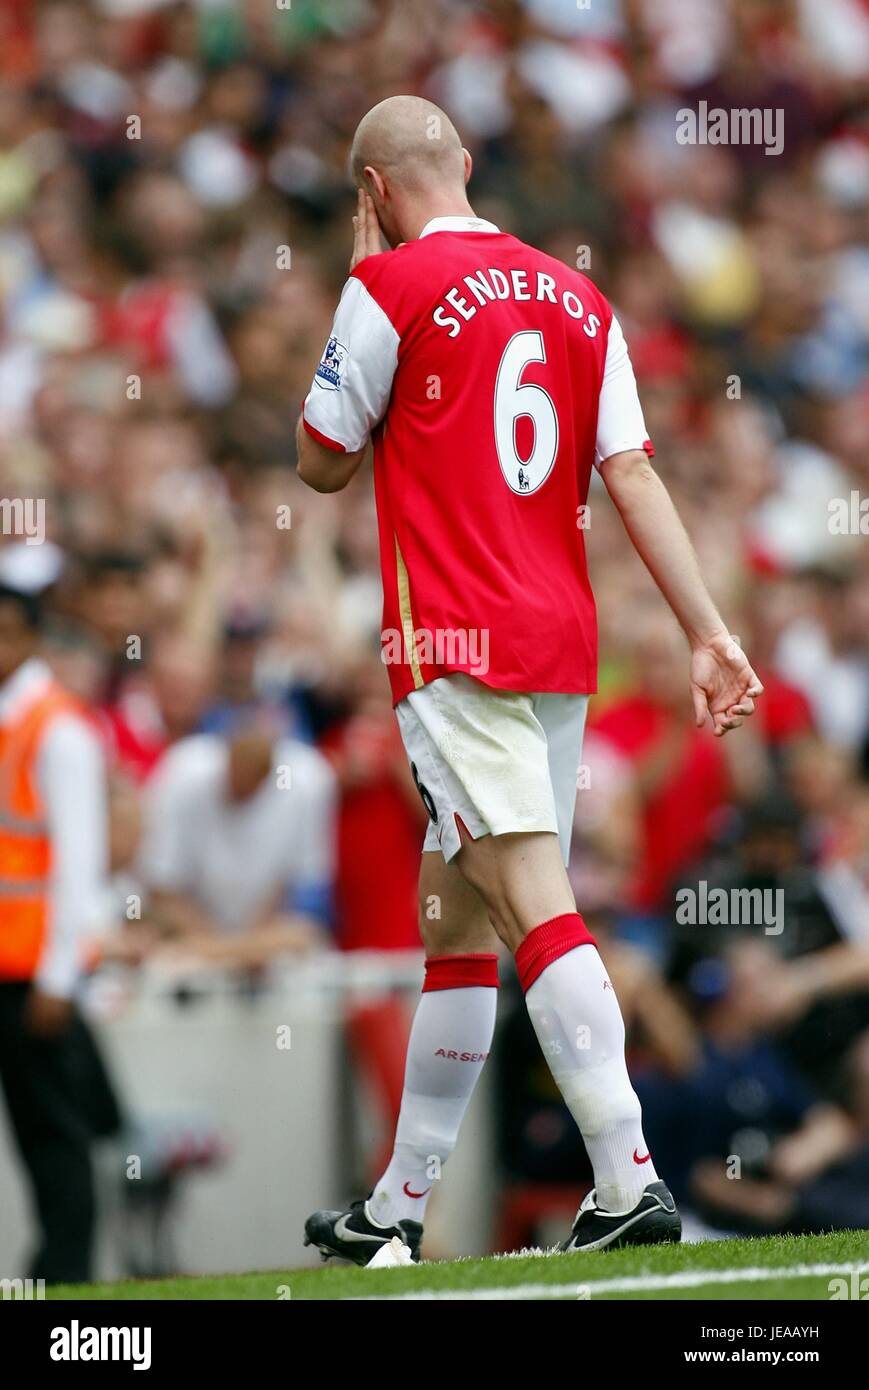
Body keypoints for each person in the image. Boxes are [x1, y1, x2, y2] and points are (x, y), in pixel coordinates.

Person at [297, 95, 763, 1261]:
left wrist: (359, 280)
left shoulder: (386, 288)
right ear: (462, 163)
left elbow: (317, 463)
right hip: (559, 642)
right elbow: (634, 477)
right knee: (457, 917)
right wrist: (706, 628)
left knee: (529, 902)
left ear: (371, 192)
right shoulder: (581, 297)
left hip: (453, 648)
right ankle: (394, 1210)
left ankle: (627, 1175)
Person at [0, 573, 111, 1282]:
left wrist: (60, 976)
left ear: (34, 638)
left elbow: (80, 864)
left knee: (54, 1139)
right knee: (39, 1137)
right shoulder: (18, 722)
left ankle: (66, 1277)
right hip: (14, 966)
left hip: (33, 973)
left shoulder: (58, 729)